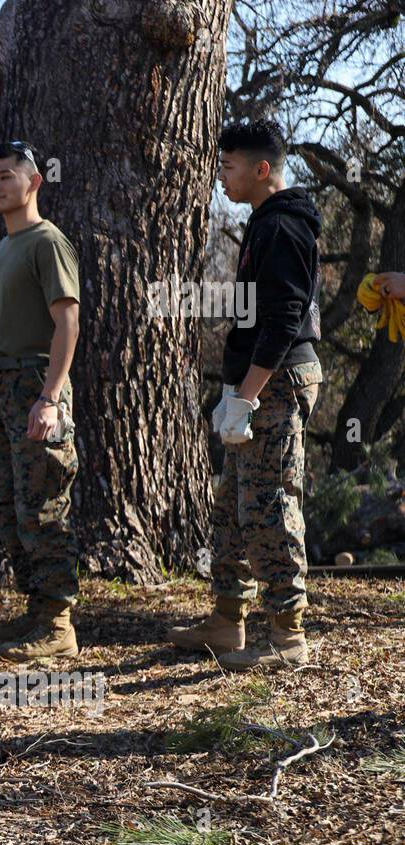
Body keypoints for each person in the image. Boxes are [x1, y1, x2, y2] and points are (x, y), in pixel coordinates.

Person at [168, 119, 322, 671]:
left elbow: (282, 321)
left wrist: (247, 397)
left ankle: (286, 636)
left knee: (269, 505)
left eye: (229, 168)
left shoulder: (282, 227)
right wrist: (236, 389)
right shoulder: (265, 223)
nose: (221, 180)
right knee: (233, 505)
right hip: (258, 382)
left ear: (262, 170)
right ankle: (228, 619)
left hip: (277, 381)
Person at [0, 140, 82, 661]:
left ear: (34, 181)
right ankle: (38, 610)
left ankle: (60, 623)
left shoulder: (47, 242)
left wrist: (50, 398)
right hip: (0, 386)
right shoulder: (2, 246)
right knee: (7, 506)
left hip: (36, 384)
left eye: (6, 176)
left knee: (43, 504)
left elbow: (68, 323)